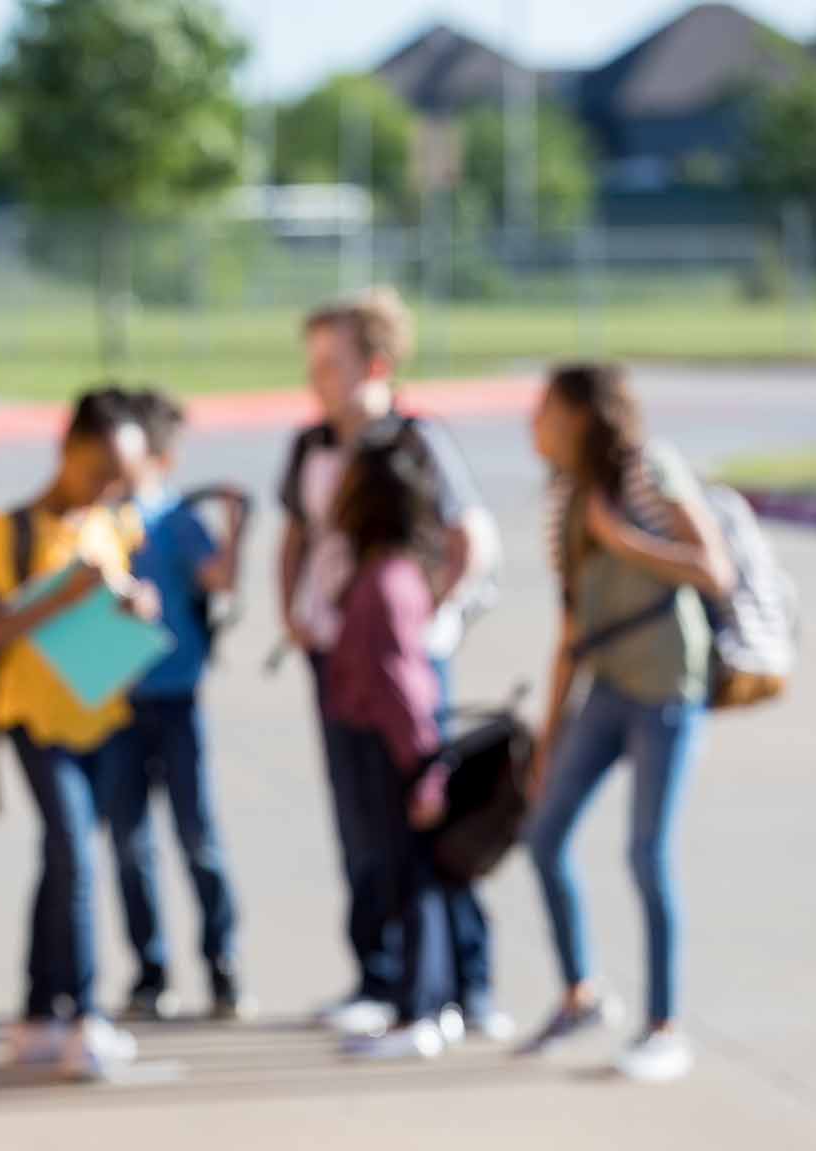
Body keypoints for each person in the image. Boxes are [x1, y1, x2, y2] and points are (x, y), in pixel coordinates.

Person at [276, 287, 509, 1041]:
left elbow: (469, 537)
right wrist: (295, 610)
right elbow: (296, 536)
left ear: (374, 362)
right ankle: (383, 973)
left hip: (399, 654)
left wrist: (425, 617)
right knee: (361, 821)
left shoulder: (413, 441)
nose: (318, 377)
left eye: (331, 362)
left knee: (427, 817)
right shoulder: (311, 446)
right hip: (336, 650)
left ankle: (460, 982)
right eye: (312, 362)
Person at [522, 363, 732, 1082]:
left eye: (545, 409)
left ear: (583, 415)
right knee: (544, 834)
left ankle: (664, 1024)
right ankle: (581, 991)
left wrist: (624, 539)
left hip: (670, 688)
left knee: (647, 854)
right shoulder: (561, 499)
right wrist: (548, 739)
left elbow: (714, 569)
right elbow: (569, 626)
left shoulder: (647, 472)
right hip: (606, 687)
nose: (533, 423)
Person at [0, 387, 160, 1079]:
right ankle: (86, 1013)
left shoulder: (116, 523)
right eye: (101, 468)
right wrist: (57, 601)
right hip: (33, 715)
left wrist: (135, 601)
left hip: (100, 709)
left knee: (63, 859)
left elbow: (134, 592)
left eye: (121, 477)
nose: (108, 486)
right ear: (68, 449)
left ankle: (38, 1008)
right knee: (76, 851)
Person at [104, 388, 250, 1021]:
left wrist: (237, 530)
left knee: (198, 837)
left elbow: (218, 577)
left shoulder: (175, 520)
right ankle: (149, 968)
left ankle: (221, 963)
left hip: (176, 697)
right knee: (129, 843)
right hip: (116, 701)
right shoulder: (99, 522)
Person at [325, 429, 457, 1060]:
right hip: (390, 747)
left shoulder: (385, 583)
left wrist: (423, 771)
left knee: (409, 883)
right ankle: (424, 1005)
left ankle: (418, 1011)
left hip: (392, 753)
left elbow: (404, 685)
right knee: (407, 879)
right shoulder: (388, 572)